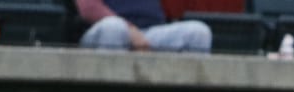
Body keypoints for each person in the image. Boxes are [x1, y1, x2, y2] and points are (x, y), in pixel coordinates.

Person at [74, 0, 212, 53]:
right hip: (103, 34)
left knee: (199, 32)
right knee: (114, 27)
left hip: (149, 33)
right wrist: (130, 29)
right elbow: (89, 9)